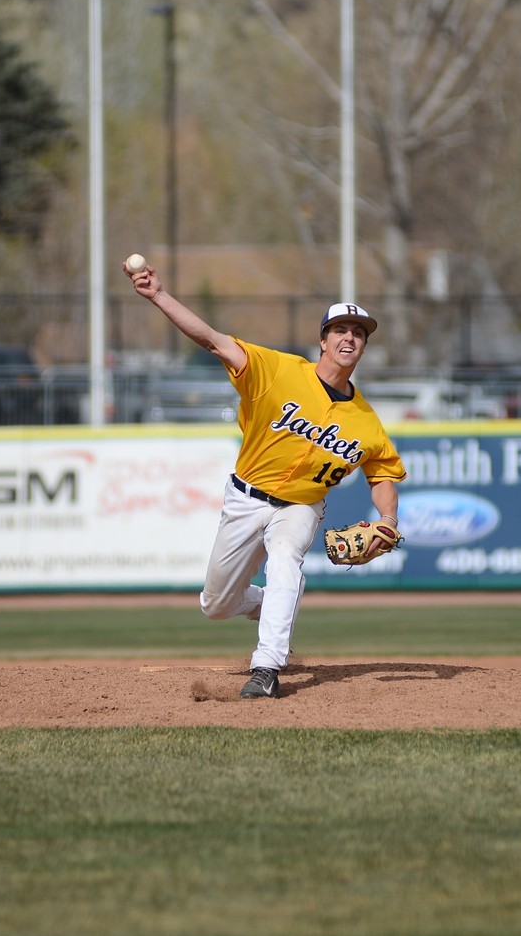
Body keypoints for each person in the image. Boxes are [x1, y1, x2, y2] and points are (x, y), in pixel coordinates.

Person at [124, 257, 406, 699]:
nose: (349, 337)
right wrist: (159, 295)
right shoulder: (276, 370)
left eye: (359, 332)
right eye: (340, 329)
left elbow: (382, 472)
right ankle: (275, 599)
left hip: (301, 506)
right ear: (323, 340)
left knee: (286, 559)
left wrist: (388, 519)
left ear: (364, 347)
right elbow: (213, 340)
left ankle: (267, 668)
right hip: (245, 498)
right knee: (215, 605)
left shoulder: (366, 421)